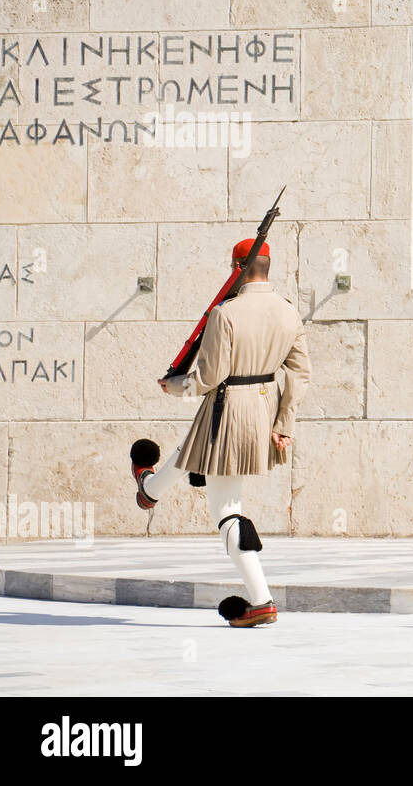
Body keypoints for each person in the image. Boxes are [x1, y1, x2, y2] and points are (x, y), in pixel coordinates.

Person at [129, 239, 310, 628]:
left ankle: (261, 601)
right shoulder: (289, 312)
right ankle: (150, 490)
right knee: (195, 447)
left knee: (226, 509)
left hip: (228, 408)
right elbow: (299, 374)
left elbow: (209, 377)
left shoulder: (225, 314)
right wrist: (284, 423)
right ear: (268, 266)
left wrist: (175, 386)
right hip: (264, 408)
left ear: (236, 267)